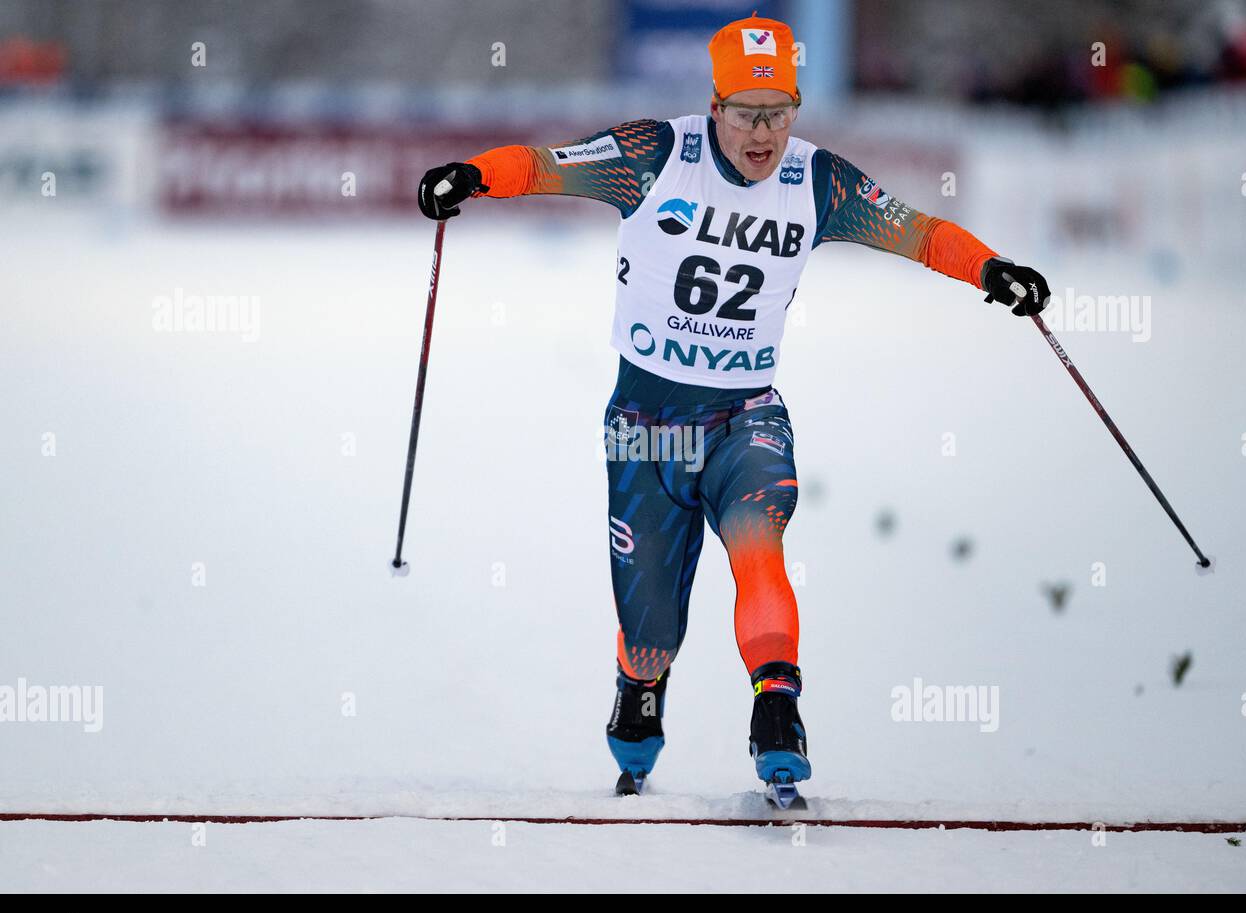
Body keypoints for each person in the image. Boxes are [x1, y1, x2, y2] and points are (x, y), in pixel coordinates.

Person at [417, 14, 1050, 801]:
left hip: (745, 415)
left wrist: (993, 270)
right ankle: (640, 686)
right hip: (645, 427)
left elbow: (917, 233)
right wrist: (470, 176)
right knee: (650, 635)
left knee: (760, 542)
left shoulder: (817, 182)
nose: (763, 132)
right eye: (747, 112)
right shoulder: (654, 156)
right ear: (715, 105)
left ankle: (777, 705)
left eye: (779, 111)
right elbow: (544, 166)